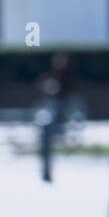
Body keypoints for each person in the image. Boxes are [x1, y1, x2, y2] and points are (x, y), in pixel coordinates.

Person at [36, 52, 76, 183]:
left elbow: (70, 98)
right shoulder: (50, 75)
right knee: (46, 140)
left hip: (63, 116)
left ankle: (48, 172)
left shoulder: (68, 78)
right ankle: (46, 172)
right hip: (51, 117)